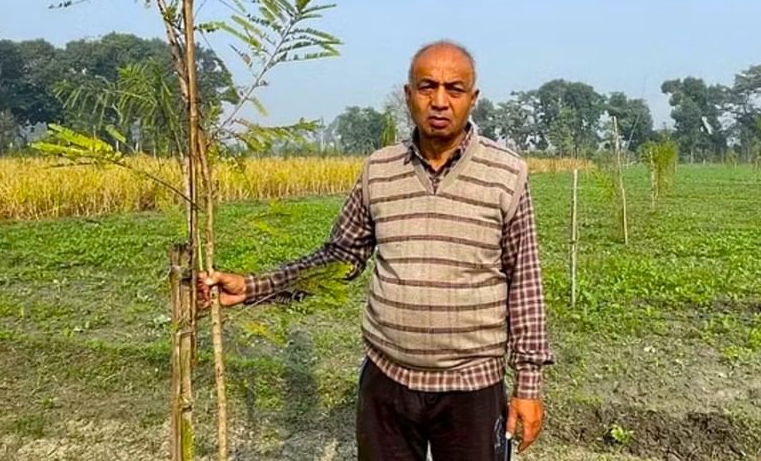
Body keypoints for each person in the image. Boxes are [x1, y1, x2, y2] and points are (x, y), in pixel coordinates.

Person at [200, 40, 552, 461]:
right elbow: (340, 257)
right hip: (387, 382)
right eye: (427, 87)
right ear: (408, 96)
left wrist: (528, 386)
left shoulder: (506, 173)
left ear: (472, 99)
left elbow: (525, 283)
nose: (439, 101)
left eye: (454, 89)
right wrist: (253, 286)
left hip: (472, 386)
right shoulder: (380, 170)